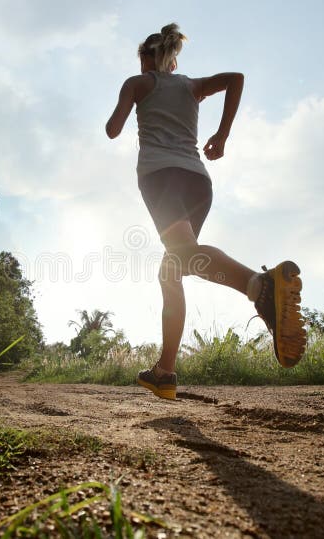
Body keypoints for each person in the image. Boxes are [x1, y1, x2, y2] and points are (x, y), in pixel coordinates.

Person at [105, 23, 306, 400]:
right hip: (198, 181)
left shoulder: (138, 82)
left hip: (160, 177)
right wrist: (222, 134)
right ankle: (165, 371)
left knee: (180, 256)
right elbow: (235, 79)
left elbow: (112, 129)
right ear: (172, 56)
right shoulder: (190, 86)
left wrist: (125, 105)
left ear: (147, 57)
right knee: (172, 268)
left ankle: (260, 286)